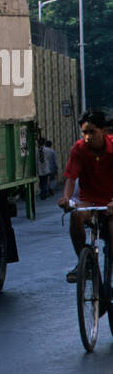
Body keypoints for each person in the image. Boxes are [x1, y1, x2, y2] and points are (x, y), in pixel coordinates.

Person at [57, 112, 113, 281]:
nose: (87, 137)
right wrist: (66, 198)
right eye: (84, 133)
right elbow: (71, 177)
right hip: (89, 199)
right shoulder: (79, 149)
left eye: (92, 132)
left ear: (103, 131)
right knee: (75, 216)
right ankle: (86, 262)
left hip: (111, 201)